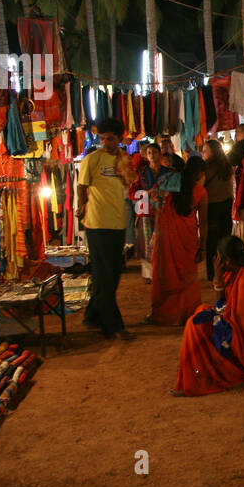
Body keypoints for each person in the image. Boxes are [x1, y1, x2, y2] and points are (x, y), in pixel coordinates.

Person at [173, 235, 244, 396]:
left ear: (228, 260)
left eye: (219, 258)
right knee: (200, 312)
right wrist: (218, 280)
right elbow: (223, 308)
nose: (217, 262)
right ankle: (197, 375)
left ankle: (198, 381)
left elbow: (231, 322)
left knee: (195, 326)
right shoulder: (240, 272)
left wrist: (217, 278)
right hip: (239, 328)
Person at [77, 117, 133, 340]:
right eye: (102, 138)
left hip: (117, 222)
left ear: (119, 139)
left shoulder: (125, 160)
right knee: (105, 275)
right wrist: (82, 205)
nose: (105, 142)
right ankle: (113, 326)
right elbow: (82, 185)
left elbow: (131, 182)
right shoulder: (92, 159)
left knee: (111, 274)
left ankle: (92, 315)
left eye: (110, 138)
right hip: (97, 222)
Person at [148, 154, 208, 326]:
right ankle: (186, 314)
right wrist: (203, 248)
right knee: (186, 276)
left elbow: (152, 201)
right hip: (187, 240)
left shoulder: (167, 183)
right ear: (199, 174)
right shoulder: (200, 191)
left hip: (165, 238)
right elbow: (203, 223)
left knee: (165, 274)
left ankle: (164, 314)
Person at [201, 139, 235, 281]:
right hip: (226, 205)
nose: (203, 153)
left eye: (205, 151)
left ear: (212, 152)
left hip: (212, 207)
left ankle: (213, 273)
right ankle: (226, 270)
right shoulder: (226, 166)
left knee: (212, 243)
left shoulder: (206, 168)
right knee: (224, 240)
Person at [132, 142, 163, 282]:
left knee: (162, 242)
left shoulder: (167, 172)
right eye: (149, 153)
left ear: (159, 154)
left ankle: (162, 272)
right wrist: (147, 193)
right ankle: (149, 274)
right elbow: (133, 193)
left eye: (154, 152)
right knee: (146, 243)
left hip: (162, 211)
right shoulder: (142, 173)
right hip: (146, 211)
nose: (152, 155)